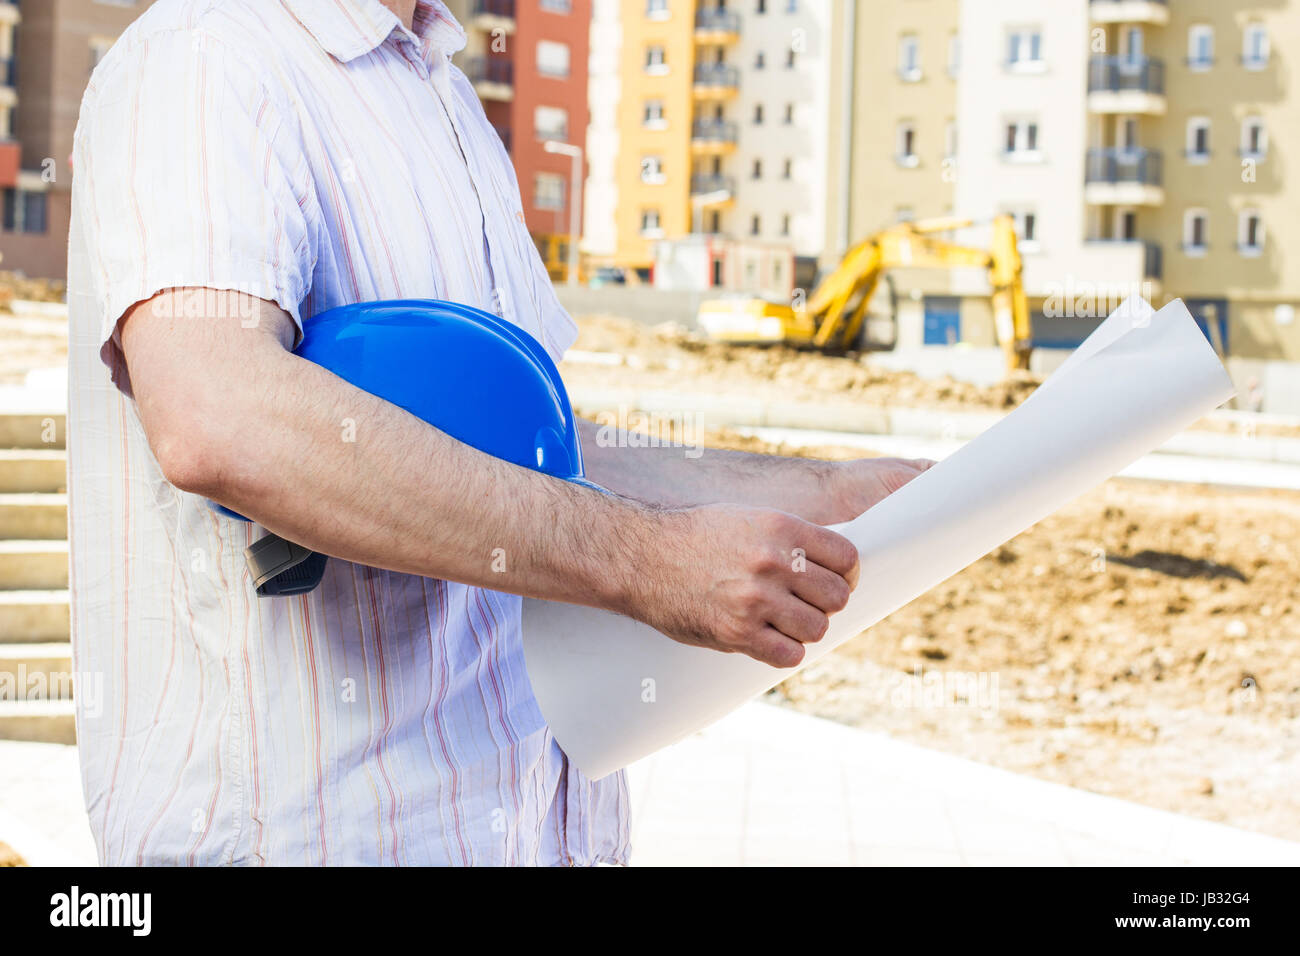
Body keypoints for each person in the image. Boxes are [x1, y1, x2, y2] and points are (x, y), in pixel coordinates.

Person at [66, 0, 930, 865]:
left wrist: (833, 493)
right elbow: (221, 415)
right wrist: (641, 561)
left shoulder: (445, 102)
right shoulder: (207, 58)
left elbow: (533, 450)